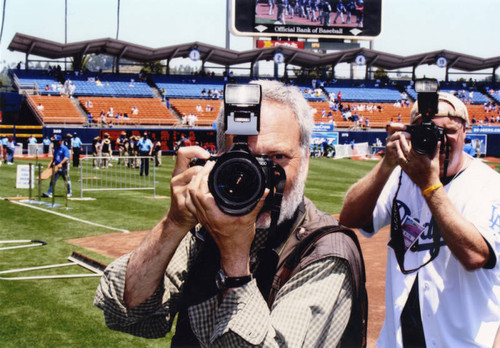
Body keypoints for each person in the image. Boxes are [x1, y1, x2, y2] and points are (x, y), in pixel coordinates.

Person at [94, 80, 367, 347]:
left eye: (277, 159)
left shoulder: (325, 250)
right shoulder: (203, 231)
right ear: (216, 160)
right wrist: (174, 223)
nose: (259, 177)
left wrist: (235, 259)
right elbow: (127, 313)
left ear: (305, 161)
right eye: (242, 161)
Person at [339, 92, 500, 347]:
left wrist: (430, 186)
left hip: (461, 341)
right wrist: (386, 165)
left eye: (448, 131)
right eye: (428, 132)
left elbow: (475, 256)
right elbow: (351, 217)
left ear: (465, 131)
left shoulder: (489, 185)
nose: (438, 141)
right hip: (399, 339)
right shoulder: (401, 177)